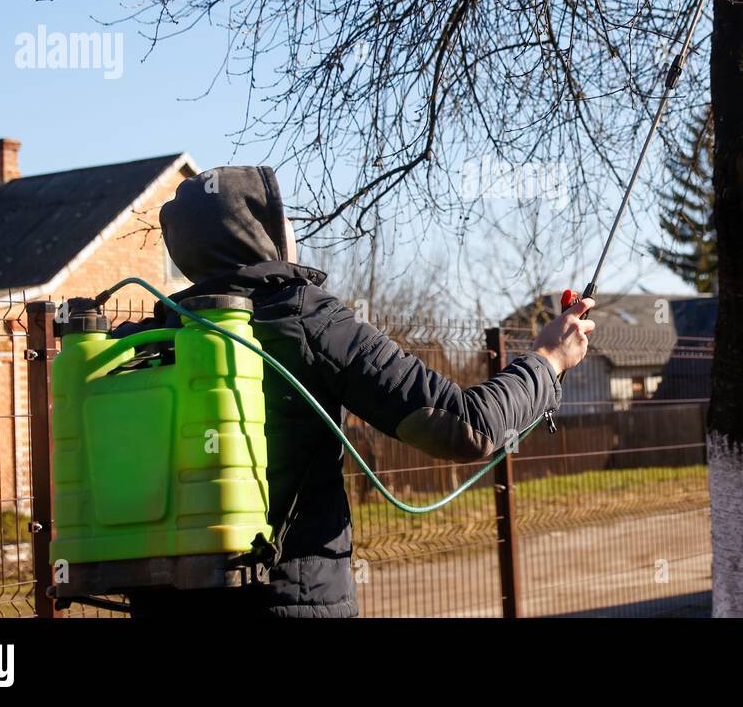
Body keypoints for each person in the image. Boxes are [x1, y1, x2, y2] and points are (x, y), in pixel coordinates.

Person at [120, 165, 594, 617]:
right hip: (288, 599)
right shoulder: (307, 319)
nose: (294, 230)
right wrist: (548, 359)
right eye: (283, 217)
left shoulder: (146, 341)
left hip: (164, 602)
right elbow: (466, 426)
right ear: (259, 233)